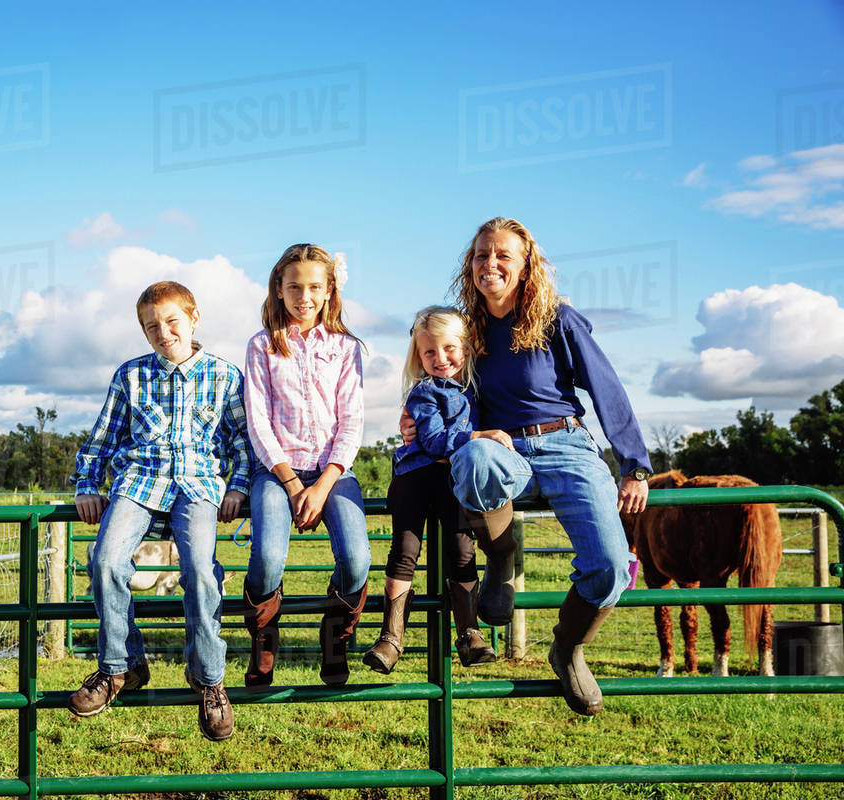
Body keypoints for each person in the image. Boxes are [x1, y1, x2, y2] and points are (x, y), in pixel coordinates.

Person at [406, 218, 651, 716]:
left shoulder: (556, 319)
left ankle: (568, 648)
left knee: (609, 567)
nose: (489, 264)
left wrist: (635, 464)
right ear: (469, 265)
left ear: (525, 265)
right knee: (472, 458)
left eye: (502, 256)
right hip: (501, 449)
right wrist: (416, 417)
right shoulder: (466, 329)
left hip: (566, 445)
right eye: (480, 255)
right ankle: (501, 559)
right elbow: (442, 382)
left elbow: (606, 388)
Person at [67, 281, 252, 741]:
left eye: (171, 321)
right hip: (140, 483)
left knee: (201, 572)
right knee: (105, 561)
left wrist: (239, 488)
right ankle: (121, 666)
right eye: (152, 326)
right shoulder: (129, 376)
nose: (163, 331)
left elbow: (243, 444)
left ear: (194, 319)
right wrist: (88, 486)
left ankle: (208, 678)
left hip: (199, 485)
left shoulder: (225, 376)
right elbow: (101, 439)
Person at [242, 244, 369, 688]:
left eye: (315, 286)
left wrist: (323, 483)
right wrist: (294, 483)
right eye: (294, 286)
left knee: (356, 558)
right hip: (277, 473)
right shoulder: (262, 346)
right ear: (278, 288)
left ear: (330, 289)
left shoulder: (345, 347)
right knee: (269, 556)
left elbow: (351, 420)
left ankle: (336, 638)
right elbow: (257, 420)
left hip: (333, 472)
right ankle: (263, 639)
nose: (304, 296)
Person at [364, 305, 510, 673]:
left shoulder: (478, 389)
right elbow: (431, 441)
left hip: (453, 482)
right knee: (405, 550)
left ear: (465, 347)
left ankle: (468, 633)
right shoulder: (423, 393)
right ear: (418, 356)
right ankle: (391, 636)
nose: (440, 358)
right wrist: (479, 435)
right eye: (429, 352)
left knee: (462, 550)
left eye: (449, 349)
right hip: (417, 478)